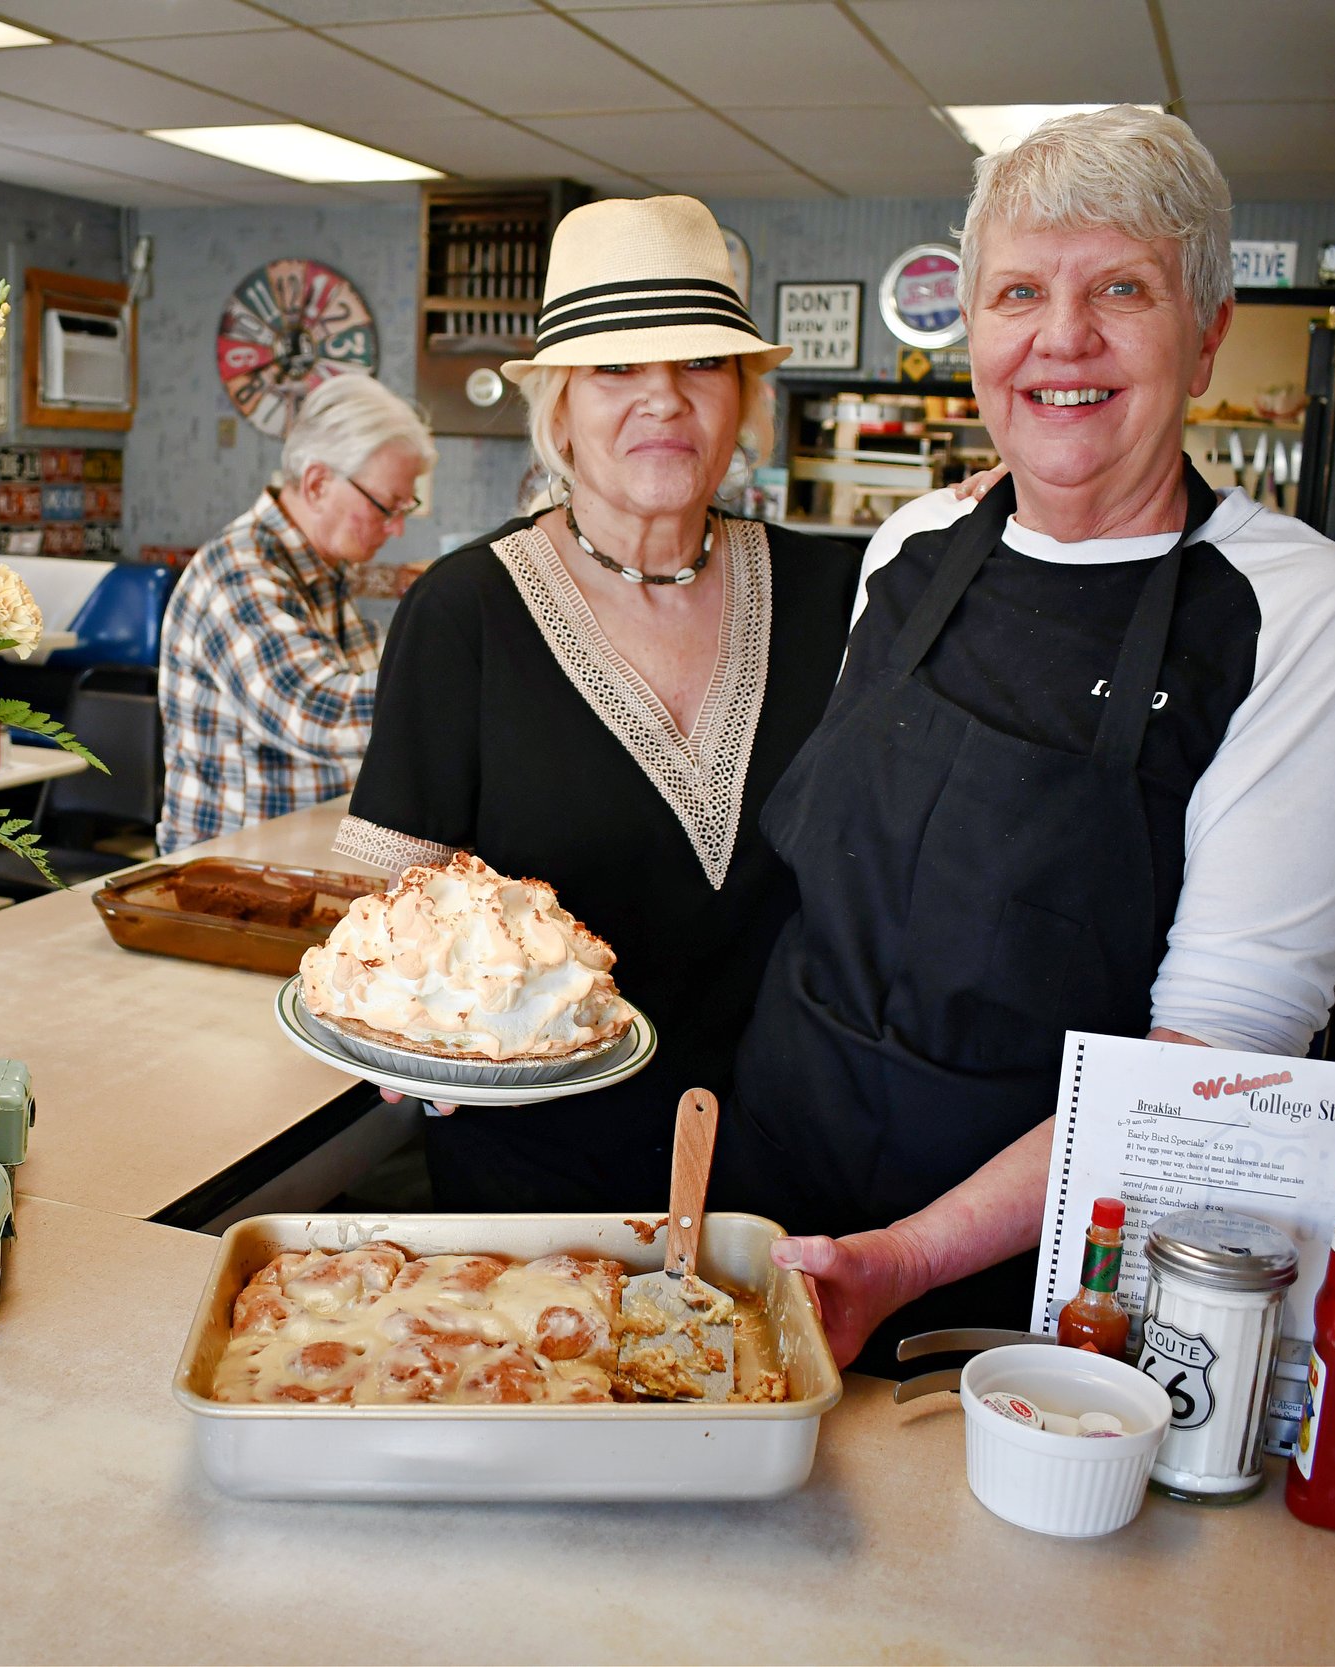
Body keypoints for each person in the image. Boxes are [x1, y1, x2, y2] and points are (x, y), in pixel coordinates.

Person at [721, 108, 1335, 1368]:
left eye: (1121, 290)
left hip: (1037, 1291)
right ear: (972, 328)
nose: (1060, 337)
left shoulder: (1298, 611)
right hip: (775, 1206)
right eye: (1017, 291)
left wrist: (905, 1254)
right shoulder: (909, 549)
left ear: (1204, 336)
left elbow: (1216, 1051)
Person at [338, 195, 857, 1211]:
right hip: (535, 1177)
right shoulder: (465, 612)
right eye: (615, 367)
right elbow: (391, 912)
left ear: (743, 397)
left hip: (799, 1167)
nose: (662, 398)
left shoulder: (839, 597)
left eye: (701, 364)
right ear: (560, 406)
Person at [156, 373, 436, 853]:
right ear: (318, 482)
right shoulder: (238, 573)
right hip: (226, 878)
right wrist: (453, 686)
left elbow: (380, 687)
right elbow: (318, 714)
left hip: (295, 853)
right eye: (387, 506)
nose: (396, 529)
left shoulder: (322, 569)